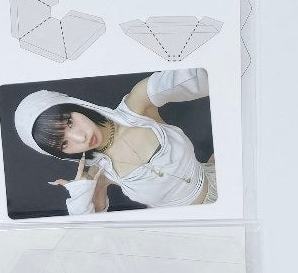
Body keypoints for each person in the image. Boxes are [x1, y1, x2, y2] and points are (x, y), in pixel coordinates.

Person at [13, 68, 216, 214]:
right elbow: (92, 231)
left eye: (70, 122)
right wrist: (81, 195)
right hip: (182, 229)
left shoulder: (137, 105)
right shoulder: (98, 173)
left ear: (73, 105)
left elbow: (197, 76)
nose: (81, 138)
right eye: (64, 144)